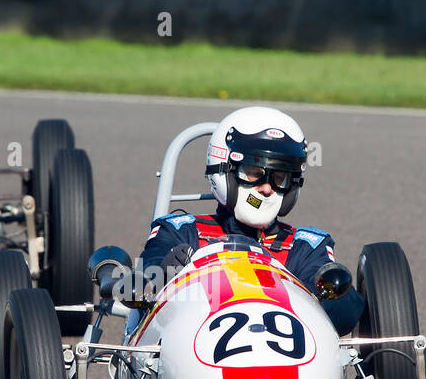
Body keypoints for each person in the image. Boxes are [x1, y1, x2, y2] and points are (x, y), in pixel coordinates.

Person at [138, 106, 364, 335]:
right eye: (255, 174)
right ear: (225, 172)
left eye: (279, 178)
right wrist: (160, 276)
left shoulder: (306, 247)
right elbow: (133, 289)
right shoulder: (180, 231)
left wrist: (333, 288)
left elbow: (345, 317)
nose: (266, 189)